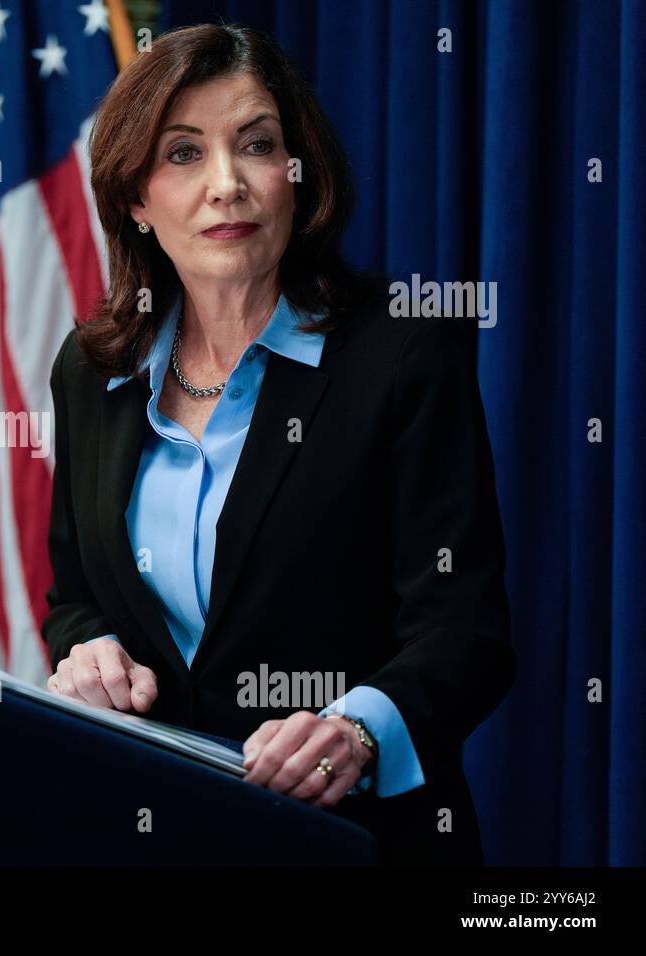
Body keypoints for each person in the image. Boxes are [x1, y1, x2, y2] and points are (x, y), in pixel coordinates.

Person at [43, 23, 515, 865]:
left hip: (350, 839)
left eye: (256, 146)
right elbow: (76, 594)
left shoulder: (402, 355)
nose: (227, 185)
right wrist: (90, 655)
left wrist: (358, 732)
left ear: (300, 177)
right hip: (151, 829)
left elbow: (466, 633)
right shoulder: (93, 370)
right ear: (135, 201)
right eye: (182, 154)